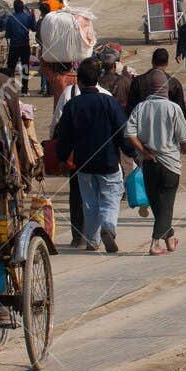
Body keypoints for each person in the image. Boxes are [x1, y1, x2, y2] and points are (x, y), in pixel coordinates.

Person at [53, 57, 135, 253]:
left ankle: (92, 240)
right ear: (97, 79)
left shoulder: (73, 105)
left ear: (79, 82)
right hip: (108, 161)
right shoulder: (109, 102)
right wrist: (131, 152)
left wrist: (62, 157)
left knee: (89, 203)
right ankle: (108, 226)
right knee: (111, 197)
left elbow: (63, 136)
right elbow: (122, 131)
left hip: (83, 163)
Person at [125, 82, 186, 254]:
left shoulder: (140, 108)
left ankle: (170, 239)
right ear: (166, 91)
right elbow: (184, 140)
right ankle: (154, 243)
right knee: (166, 205)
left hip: (149, 164)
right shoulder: (173, 108)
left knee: (158, 205)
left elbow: (129, 133)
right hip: (170, 164)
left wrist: (143, 151)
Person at [0, 0, 37, 94]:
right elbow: (34, 28)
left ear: (15, 8)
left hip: (14, 46)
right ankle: (25, 89)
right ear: (23, 8)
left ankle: (11, 88)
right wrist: (33, 17)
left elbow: (7, 34)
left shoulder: (11, 19)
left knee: (11, 67)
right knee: (25, 67)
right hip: (25, 45)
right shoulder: (28, 17)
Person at [128, 46, 186, 112]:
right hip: (166, 117)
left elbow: (130, 109)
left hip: (144, 117)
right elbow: (181, 111)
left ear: (152, 61)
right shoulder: (174, 83)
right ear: (167, 63)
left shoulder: (137, 81)